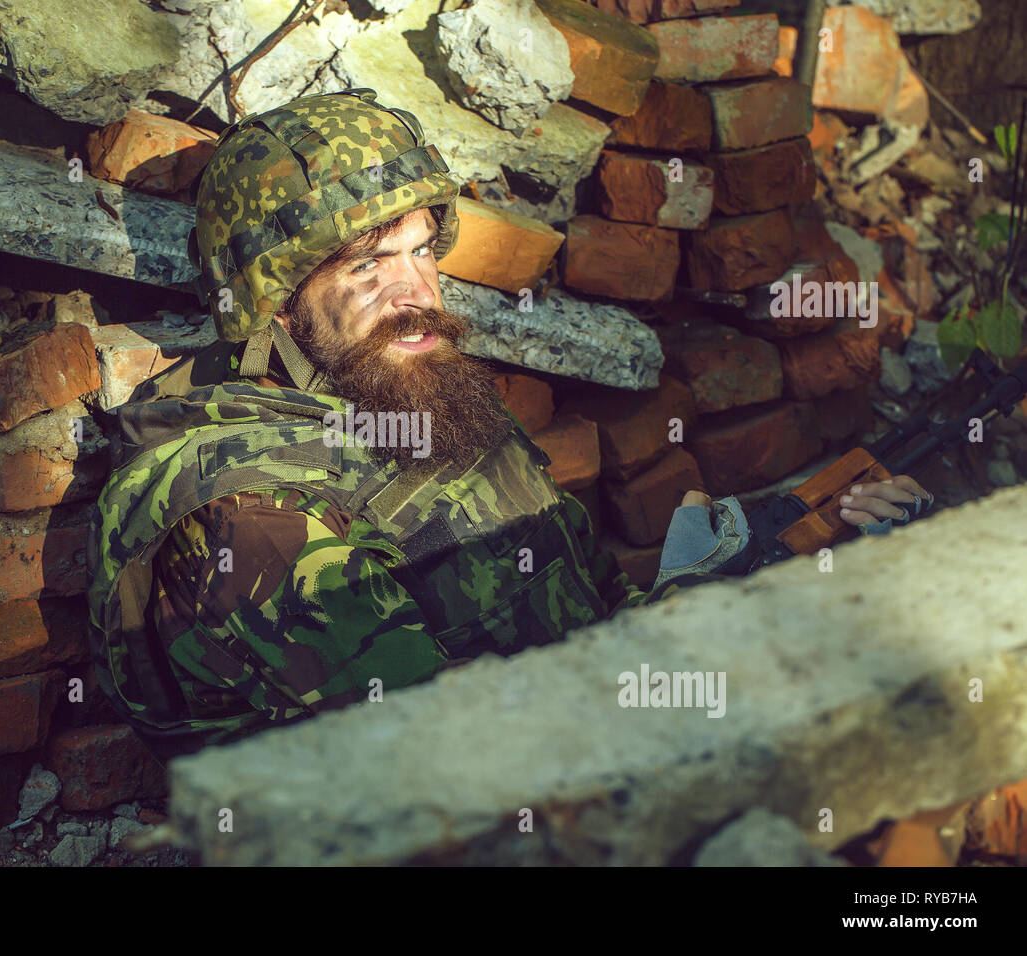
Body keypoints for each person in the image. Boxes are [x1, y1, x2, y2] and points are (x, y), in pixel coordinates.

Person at [86, 88, 932, 759]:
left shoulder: (420, 402)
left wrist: (773, 555)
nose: (417, 294)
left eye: (422, 250)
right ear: (275, 301)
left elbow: (589, 616)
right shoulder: (251, 520)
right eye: (368, 264)